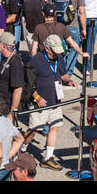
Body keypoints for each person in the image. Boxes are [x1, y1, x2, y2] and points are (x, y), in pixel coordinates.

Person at [27, 34, 74, 172]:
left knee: (54, 127)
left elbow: (62, 73)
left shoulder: (58, 57)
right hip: (39, 103)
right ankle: (21, 148)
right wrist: (36, 97)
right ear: (47, 48)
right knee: (33, 129)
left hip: (55, 100)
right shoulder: (36, 60)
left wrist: (68, 80)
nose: (56, 54)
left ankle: (47, 158)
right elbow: (27, 82)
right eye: (54, 51)